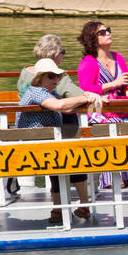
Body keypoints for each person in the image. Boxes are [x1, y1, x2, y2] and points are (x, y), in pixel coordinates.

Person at [19, 57, 98, 225]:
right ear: (39, 78)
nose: (55, 79)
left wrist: (88, 98)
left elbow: (66, 106)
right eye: (50, 76)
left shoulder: (50, 93)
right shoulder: (36, 91)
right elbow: (60, 106)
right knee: (74, 156)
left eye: (57, 76)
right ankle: (79, 206)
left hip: (44, 145)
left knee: (69, 155)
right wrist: (86, 98)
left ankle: (61, 209)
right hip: (31, 149)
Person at [76, 20, 128, 188]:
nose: (107, 33)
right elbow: (86, 89)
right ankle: (112, 178)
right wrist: (113, 84)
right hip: (98, 108)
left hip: (121, 106)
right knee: (113, 126)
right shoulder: (88, 62)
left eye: (107, 30)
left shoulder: (118, 57)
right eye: (102, 32)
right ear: (92, 40)